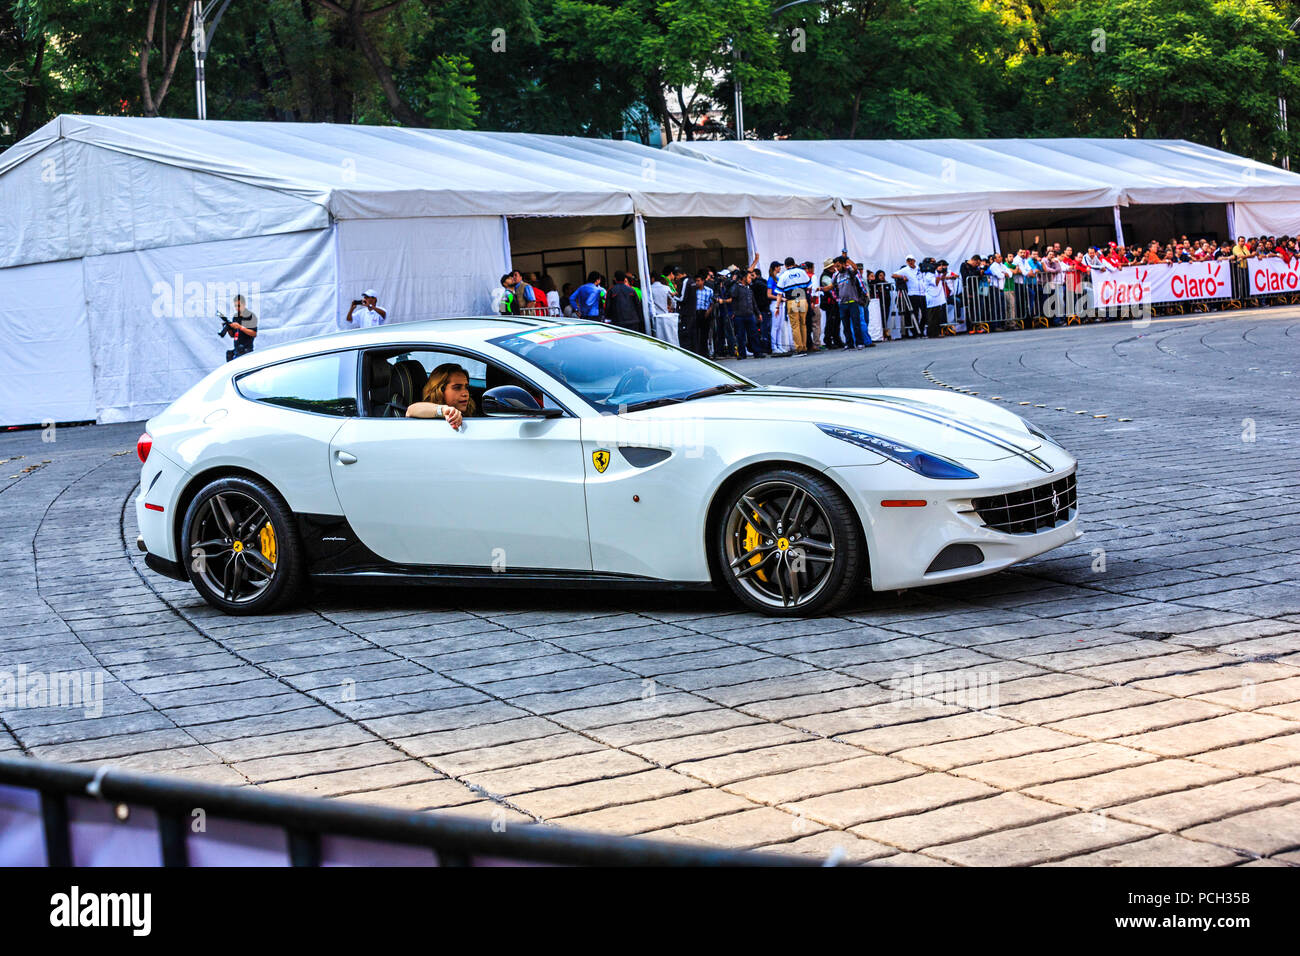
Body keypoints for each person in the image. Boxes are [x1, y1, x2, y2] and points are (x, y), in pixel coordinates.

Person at [405, 363, 476, 429]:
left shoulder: (472, 413)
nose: (465, 393)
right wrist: (443, 410)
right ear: (440, 390)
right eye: (457, 387)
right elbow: (411, 410)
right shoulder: (429, 415)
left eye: (466, 387)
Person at [776, 257, 813, 354]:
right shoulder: (802, 272)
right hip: (802, 298)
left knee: (795, 325)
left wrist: (777, 307)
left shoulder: (784, 275)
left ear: (785, 265)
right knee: (803, 324)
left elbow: (779, 293)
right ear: (794, 263)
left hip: (792, 300)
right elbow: (809, 286)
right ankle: (804, 346)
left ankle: (799, 348)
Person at [892, 256, 925, 339]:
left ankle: (920, 329)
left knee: (925, 313)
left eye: (911, 260)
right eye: (908, 261)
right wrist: (902, 277)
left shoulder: (919, 268)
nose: (910, 262)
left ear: (914, 260)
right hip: (912, 294)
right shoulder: (905, 269)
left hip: (922, 293)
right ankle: (916, 332)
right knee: (915, 314)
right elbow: (893, 275)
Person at [225, 294, 258, 361]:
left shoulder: (250, 316)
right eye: (236, 306)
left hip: (246, 350)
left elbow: (254, 333)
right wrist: (228, 328)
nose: (237, 308)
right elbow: (233, 335)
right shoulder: (235, 317)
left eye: (239, 305)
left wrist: (240, 327)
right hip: (237, 350)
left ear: (244, 304)